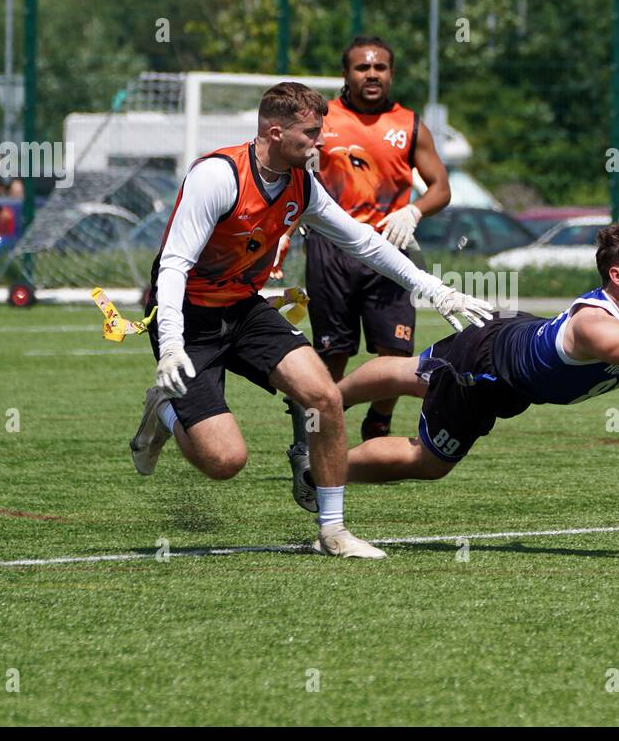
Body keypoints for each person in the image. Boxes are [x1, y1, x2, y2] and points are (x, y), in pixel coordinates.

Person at [129, 82, 492, 559]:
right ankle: (165, 408)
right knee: (224, 461)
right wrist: (171, 342)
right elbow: (174, 263)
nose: (321, 142)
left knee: (323, 395)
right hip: (190, 319)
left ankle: (333, 531)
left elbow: (362, 241)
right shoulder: (218, 176)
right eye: (312, 133)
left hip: (243, 307)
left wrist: (435, 289)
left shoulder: (301, 181)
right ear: (275, 133)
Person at [289, 222, 619, 491]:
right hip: (485, 366)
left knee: (414, 373)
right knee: (429, 457)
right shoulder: (593, 325)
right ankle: (323, 466)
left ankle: (322, 410)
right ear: (618, 276)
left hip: (513, 352)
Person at [277, 35, 453, 442]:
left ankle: (377, 423)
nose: (371, 74)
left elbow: (440, 187)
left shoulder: (410, 124)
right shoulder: (322, 119)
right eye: (362, 67)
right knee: (333, 351)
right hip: (331, 250)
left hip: (391, 249)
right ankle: (314, 435)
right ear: (346, 74)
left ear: (390, 74)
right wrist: (285, 233)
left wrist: (414, 210)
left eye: (380, 67)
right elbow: (291, 175)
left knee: (396, 351)